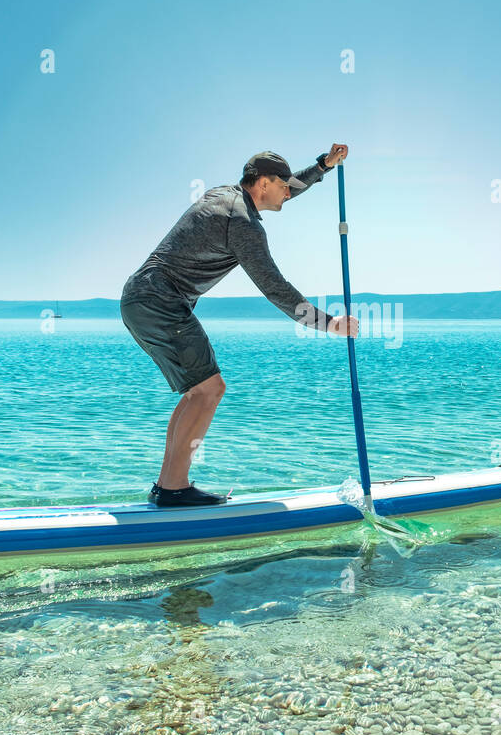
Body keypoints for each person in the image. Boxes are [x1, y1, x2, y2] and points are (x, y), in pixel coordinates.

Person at [121, 145, 358, 506]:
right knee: (209, 389)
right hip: (160, 301)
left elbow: (291, 188)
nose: (287, 193)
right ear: (264, 183)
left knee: (198, 392)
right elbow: (276, 289)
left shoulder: (224, 195)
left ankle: (167, 485)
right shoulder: (243, 225)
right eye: (282, 186)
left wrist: (323, 166)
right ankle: (172, 489)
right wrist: (330, 325)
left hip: (141, 298)